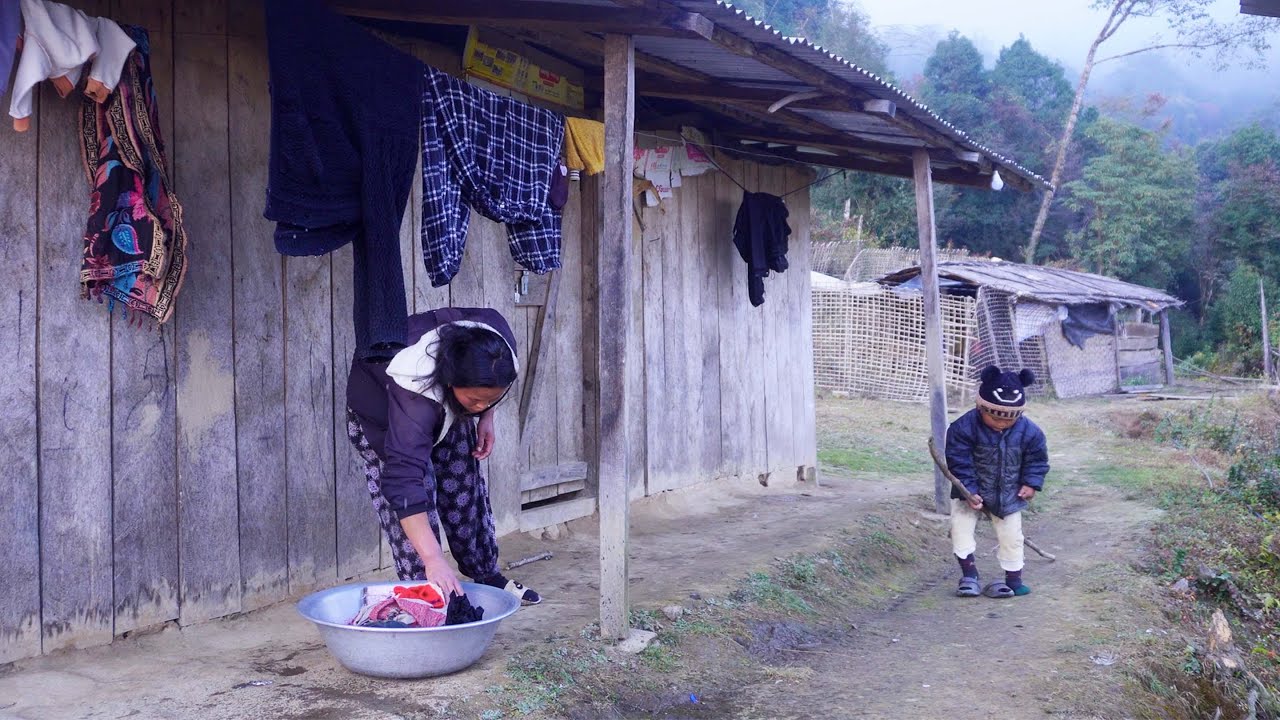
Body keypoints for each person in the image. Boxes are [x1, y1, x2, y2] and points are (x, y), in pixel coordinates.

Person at [345, 307, 540, 605]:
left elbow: (490, 389)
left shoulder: (498, 345)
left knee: (464, 486)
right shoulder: (415, 394)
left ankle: (487, 575)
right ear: (449, 382)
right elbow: (403, 482)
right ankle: (428, 596)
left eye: (489, 399)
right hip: (381, 408)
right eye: (475, 400)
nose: (480, 405)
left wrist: (486, 415)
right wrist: (433, 558)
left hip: (445, 397)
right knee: (415, 499)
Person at [946, 365, 1049, 599]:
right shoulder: (963, 428)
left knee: (1012, 536)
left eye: (1009, 420)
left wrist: (1031, 483)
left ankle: (1014, 580)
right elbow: (958, 461)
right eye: (994, 418)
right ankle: (969, 576)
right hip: (969, 492)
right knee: (960, 529)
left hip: (1008, 494)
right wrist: (969, 491)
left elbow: (1037, 460)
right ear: (981, 407)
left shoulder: (1031, 432)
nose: (1001, 423)